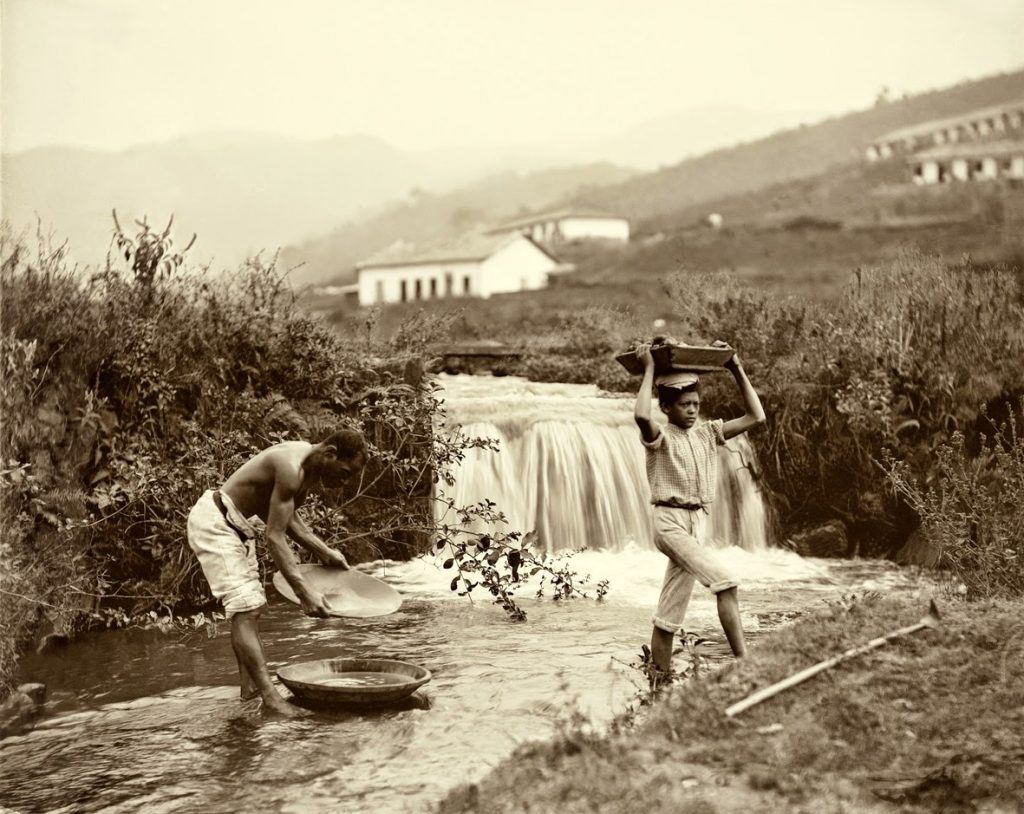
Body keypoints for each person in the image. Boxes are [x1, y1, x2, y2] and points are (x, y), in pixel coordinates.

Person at [187, 429, 367, 714]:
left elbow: (289, 518)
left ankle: (250, 691)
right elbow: (274, 536)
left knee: (251, 609)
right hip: (215, 522)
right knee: (246, 609)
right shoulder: (291, 468)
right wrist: (303, 591)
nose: (344, 482)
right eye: (345, 473)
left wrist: (325, 552)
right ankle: (271, 699)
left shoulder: (306, 466)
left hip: (236, 526)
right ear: (330, 453)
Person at [634, 342, 765, 680]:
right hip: (669, 522)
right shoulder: (660, 437)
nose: (692, 411)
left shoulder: (708, 433)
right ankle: (745, 662)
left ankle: (658, 679)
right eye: (684, 405)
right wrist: (649, 368)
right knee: (725, 582)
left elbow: (756, 416)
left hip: (697, 522)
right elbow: (641, 416)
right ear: (667, 407)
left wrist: (735, 367)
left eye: (696, 404)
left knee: (669, 613)